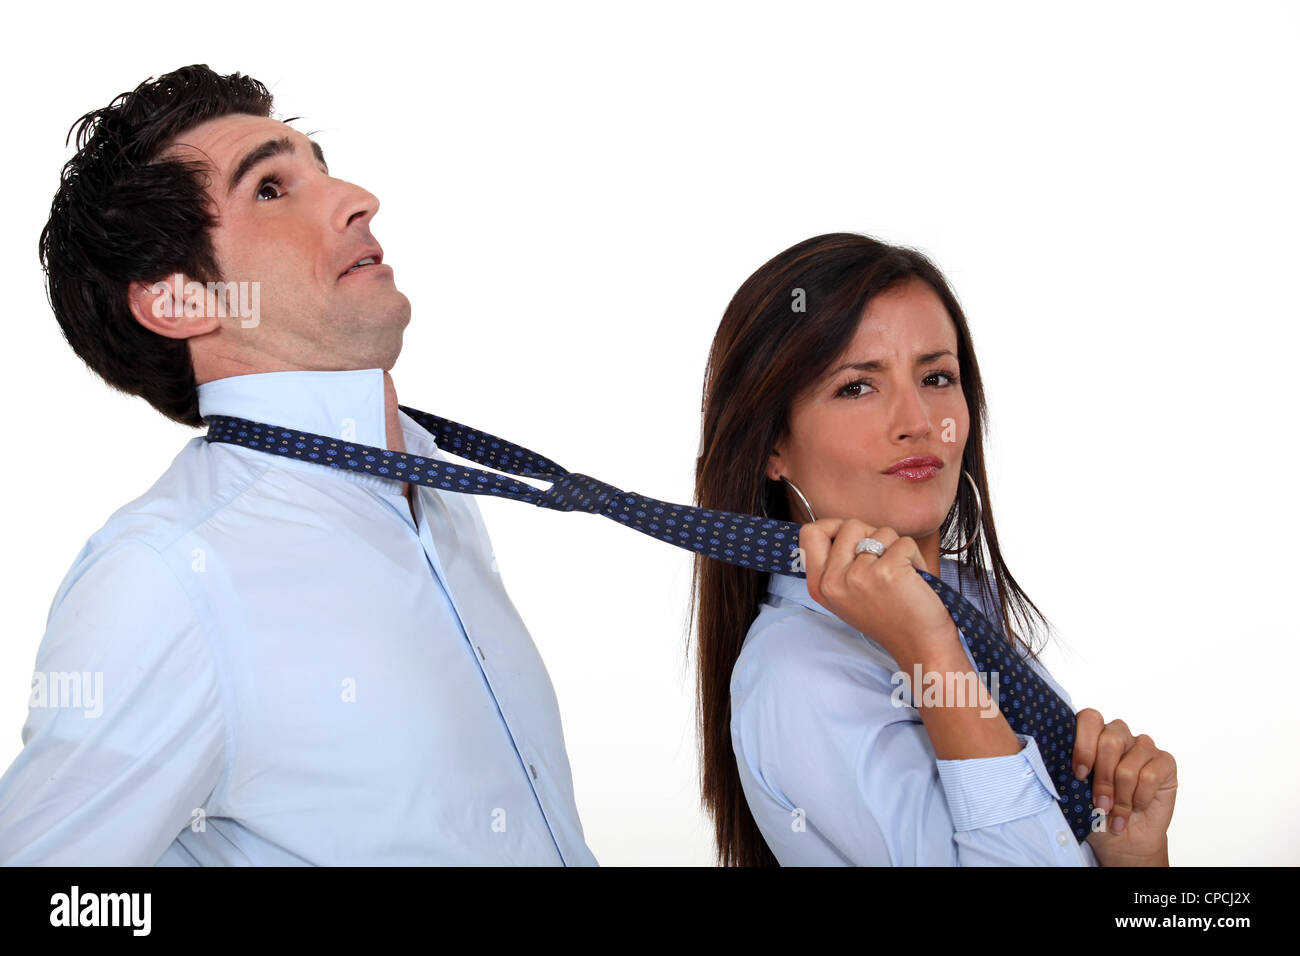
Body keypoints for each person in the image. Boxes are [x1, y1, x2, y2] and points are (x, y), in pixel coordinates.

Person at [0, 64, 596, 865]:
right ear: (178, 300)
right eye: (271, 189)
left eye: (318, 164)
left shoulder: (434, 494)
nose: (357, 197)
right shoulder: (168, 575)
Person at [689, 233, 1177, 866]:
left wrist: (1133, 859)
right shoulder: (798, 678)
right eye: (857, 387)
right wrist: (932, 658)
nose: (920, 420)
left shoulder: (964, 598)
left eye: (937, 377)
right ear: (773, 446)